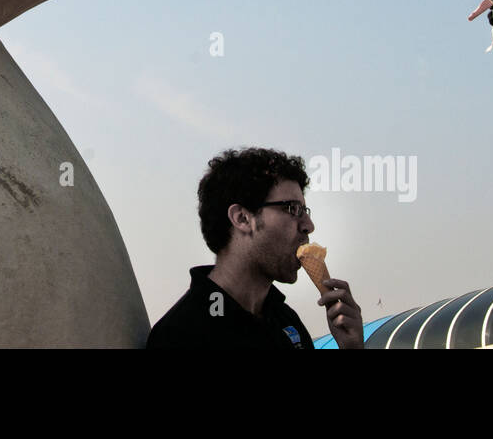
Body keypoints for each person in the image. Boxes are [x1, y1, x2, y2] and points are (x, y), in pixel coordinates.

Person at [147, 147, 364, 349]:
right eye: (292, 209)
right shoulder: (182, 334)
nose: (309, 225)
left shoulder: (285, 319)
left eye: (305, 210)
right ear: (242, 218)